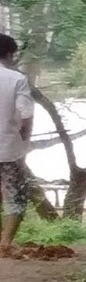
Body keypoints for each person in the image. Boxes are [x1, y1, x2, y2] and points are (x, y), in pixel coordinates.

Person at [0, 34, 34, 258]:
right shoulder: (16, 79)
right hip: (8, 149)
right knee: (17, 198)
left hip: (9, 148)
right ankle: (4, 244)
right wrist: (25, 140)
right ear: (9, 54)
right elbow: (26, 113)